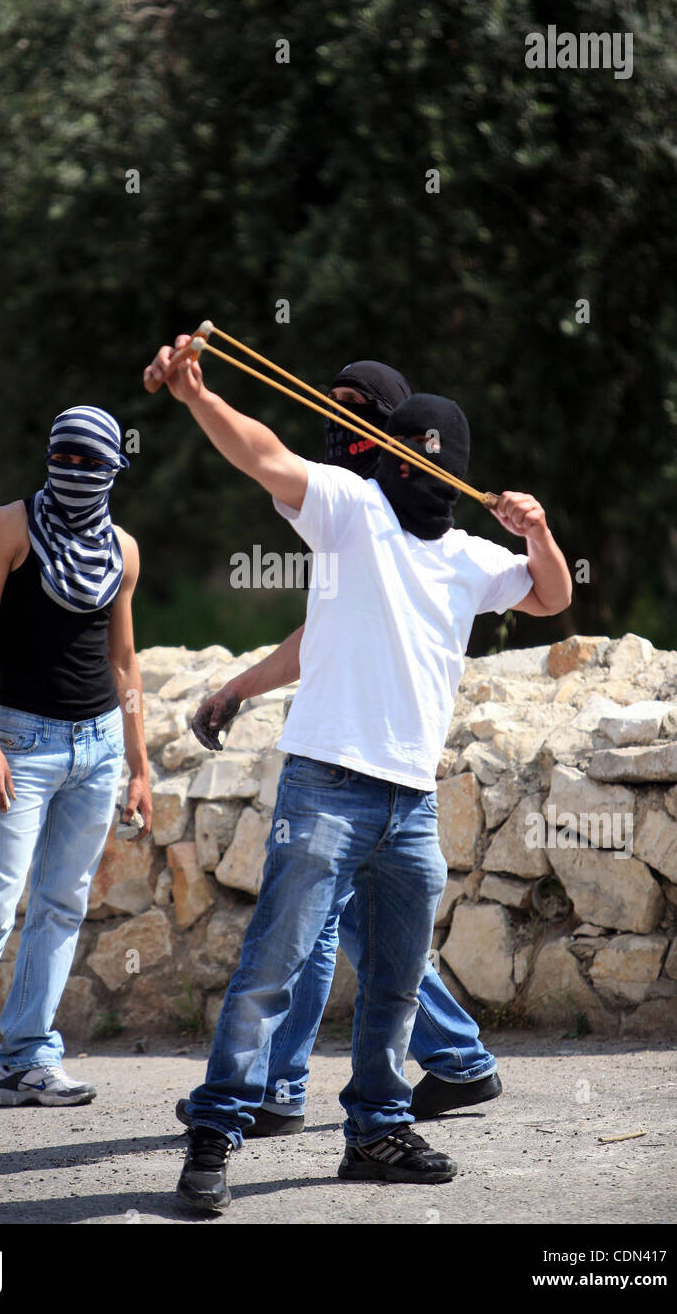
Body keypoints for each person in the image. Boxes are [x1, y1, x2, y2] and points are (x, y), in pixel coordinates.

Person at [144, 336, 571, 1213]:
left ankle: (376, 1129)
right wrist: (195, 396)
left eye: (431, 459)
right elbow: (261, 451)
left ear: (452, 471)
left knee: (394, 980)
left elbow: (552, 596)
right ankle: (217, 1130)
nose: (416, 468)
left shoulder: (466, 558)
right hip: (326, 787)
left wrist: (537, 529)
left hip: (412, 803)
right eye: (406, 452)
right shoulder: (349, 508)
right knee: (275, 961)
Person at [181, 360, 503, 1140]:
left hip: (382, 775)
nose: (338, 425)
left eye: (357, 414)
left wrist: (196, 393)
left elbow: (263, 455)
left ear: (398, 442)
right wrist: (239, 688)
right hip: (348, 770)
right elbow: (318, 633)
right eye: (332, 410)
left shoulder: (387, 517)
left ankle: (281, 1087)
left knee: (324, 937)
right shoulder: (353, 511)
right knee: (345, 933)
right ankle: (449, 1063)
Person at [0, 406, 152, 1132]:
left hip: (98, 747)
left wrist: (137, 765)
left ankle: (24, 1062)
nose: (76, 474)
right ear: (49, 457)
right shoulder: (3, 529)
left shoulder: (125, 550)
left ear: (114, 469)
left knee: (61, 906)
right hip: (23, 744)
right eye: (64, 458)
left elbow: (124, 662)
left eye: (91, 463)